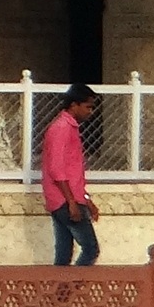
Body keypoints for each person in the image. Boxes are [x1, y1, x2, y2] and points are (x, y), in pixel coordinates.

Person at [44, 83, 100, 266]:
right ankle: (72, 290)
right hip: (64, 200)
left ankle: (60, 294)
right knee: (91, 248)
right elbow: (56, 169)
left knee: (64, 253)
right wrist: (71, 202)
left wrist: (86, 200)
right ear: (74, 105)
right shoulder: (61, 128)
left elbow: (73, 174)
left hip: (67, 199)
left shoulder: (69, 127)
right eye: (88, 107)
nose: (90, 112)